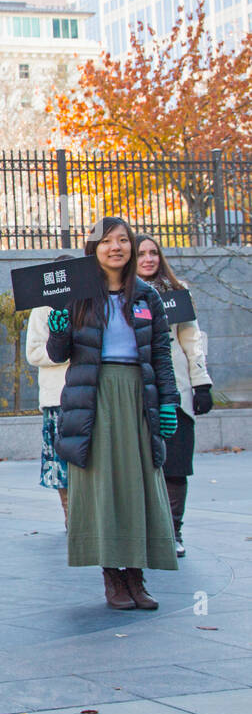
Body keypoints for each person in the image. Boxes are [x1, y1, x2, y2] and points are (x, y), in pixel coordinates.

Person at [46, 218, 179, 610]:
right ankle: (112, 579)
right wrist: (58, 327)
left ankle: (137, 578)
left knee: (138, 483)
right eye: (106, 241)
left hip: (138, 396)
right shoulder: (78, 295)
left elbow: (161, 355)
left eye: (123, 240)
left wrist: (167, 401)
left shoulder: (148, 296)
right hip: (94, 399)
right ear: (94, 249)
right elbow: (59, 354)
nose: (115, 247)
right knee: (103, 486)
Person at [137, 234, 214, 558]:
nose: (149, 258)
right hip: (137, 388)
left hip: (176, 389)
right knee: (139, 466)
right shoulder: (119, 293)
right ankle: (142, 532)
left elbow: (192, 340)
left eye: (154, 252)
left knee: (177, 465)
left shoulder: (178, 291)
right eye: (141, 253)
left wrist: (201, 383)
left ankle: (173, 532)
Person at [25, 256, 76, 528]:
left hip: (88, 394)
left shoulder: (89, 304)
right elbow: (33, 352)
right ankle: (71, 517)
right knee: (60, 464)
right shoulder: (43, 308)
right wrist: (65, 352)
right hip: (57, 397)